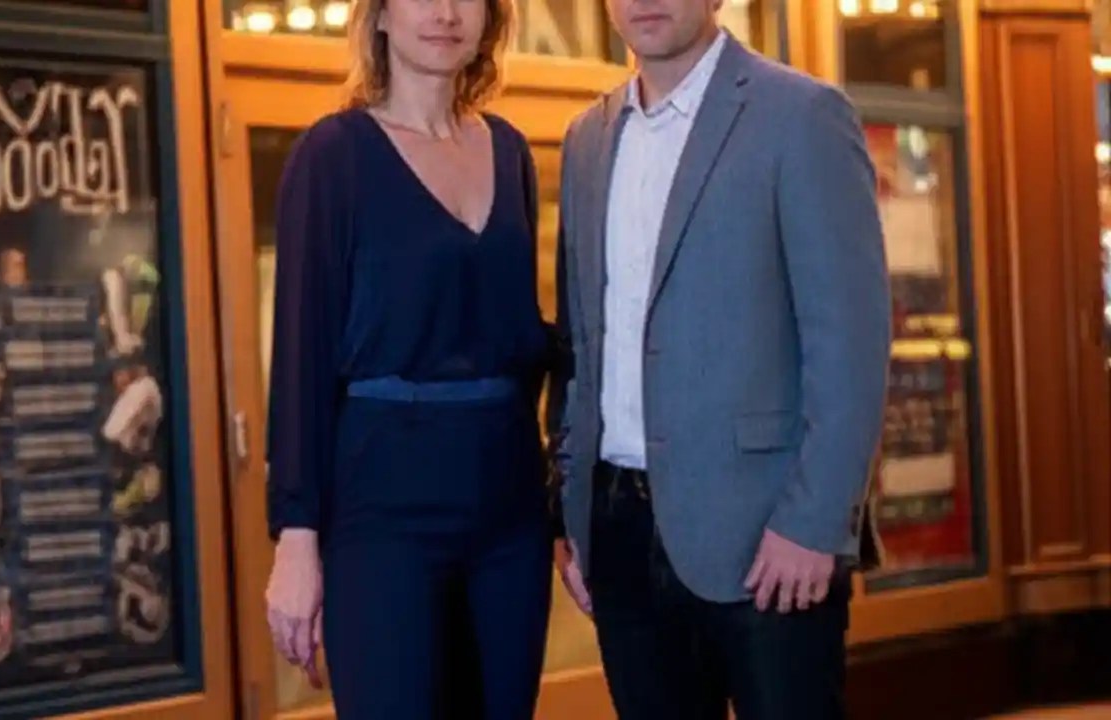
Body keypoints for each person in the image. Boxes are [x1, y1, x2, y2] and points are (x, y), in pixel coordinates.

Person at [547, 0, 892, 718]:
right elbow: (580, 341)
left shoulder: (802, 118)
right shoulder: (586, 142)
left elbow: (850, 345)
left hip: (769, 536)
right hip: (618, 534)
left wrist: (816, 522)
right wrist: (573, 513)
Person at [263, 0, 553, 717]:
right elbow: (300, 357)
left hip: (510, 502)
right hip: (384, 504)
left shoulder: (511, 151)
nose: (447, 12)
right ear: (381, 15)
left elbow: (530, 341)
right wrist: (296, 539)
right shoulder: (333, 156)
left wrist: (568, 502)